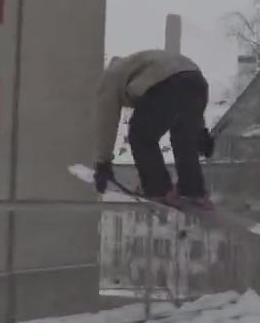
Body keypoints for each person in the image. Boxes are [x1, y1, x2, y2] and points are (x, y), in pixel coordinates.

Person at [92, 49, 217, 207]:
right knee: (184, 140)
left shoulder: (109, 80)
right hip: (197, 81)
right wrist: (200, 133)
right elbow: (185, 93)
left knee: (140, 135)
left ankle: (159, 190)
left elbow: (106, 122)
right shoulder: (135, 66)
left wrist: (103, 163)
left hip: (168, 83)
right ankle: (193, 191)